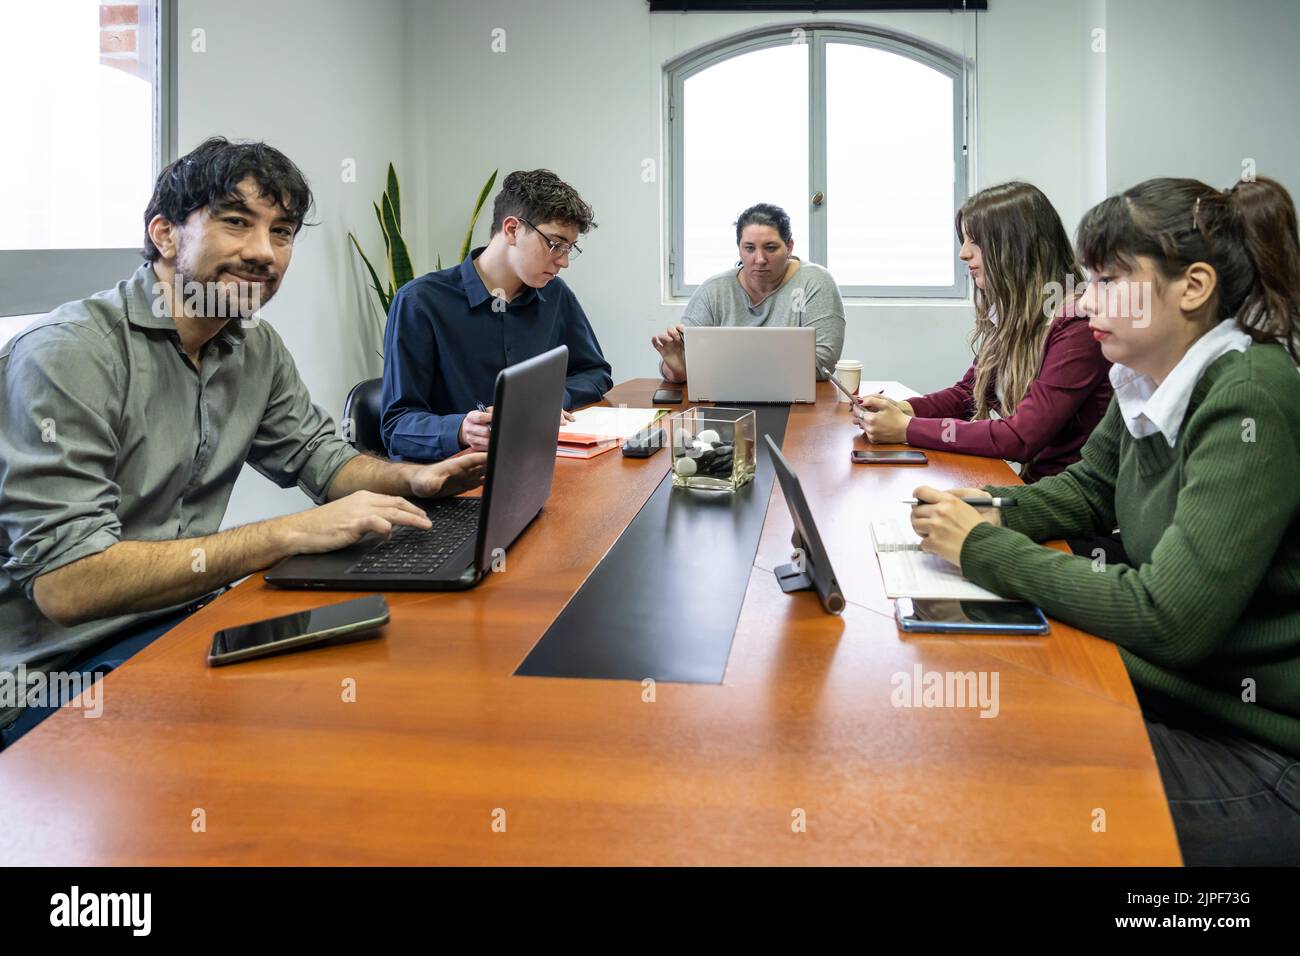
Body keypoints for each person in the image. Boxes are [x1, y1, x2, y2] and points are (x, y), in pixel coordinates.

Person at [0, 137, 485, 749]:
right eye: (236, 222)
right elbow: (69, 583)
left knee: (392, 700)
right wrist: (283, 534)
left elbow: (319, 457)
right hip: (49, 675)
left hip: (185, 621)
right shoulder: (68, 354)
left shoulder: (253, 346)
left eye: (281, 232)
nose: (264, 253)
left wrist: (415, 477)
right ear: (166, 234)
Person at [908, 177, 1300, 865]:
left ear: (1194, 286)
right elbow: (1089, 491)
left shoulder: (1250, 395)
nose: (1085, 300)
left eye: (1110, 279)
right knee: (975, 709)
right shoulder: (1149, 371)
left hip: (1260, 750)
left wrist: (982, 551)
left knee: (988, 788)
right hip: (1182, 700)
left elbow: (1170, 619)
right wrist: (982, 509)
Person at [854, 182, 1112, 482]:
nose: (963, 254)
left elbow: (1021, 437)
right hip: (1036, 486)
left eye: (973, 241)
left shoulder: (1076, 325)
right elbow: (970, 394)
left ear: (1015, 246)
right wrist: (904, 409)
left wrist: (906, 428)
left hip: (1064, 498)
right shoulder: (1014, 316)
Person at [380, 169, 613, 462]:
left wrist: (550, 401)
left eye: (569, 248)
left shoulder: (556, 295)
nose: (564, 261)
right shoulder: (419, 302)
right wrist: (461, 430)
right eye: (555, 244)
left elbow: (595, 372)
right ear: (512, 229)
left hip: (533, 463)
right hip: (453, 479)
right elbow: (396, 426)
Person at [651, 202, 844, 383]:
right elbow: (678, 361)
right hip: (725, 399)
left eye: (770, 248)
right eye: (749, 248)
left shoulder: (816, 283)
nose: (759, 259)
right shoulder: (715, 290)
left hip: (797, 404)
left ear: (789, 246)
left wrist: (716, 368)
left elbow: (822, 365)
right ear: (739, 249)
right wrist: (677, 370)